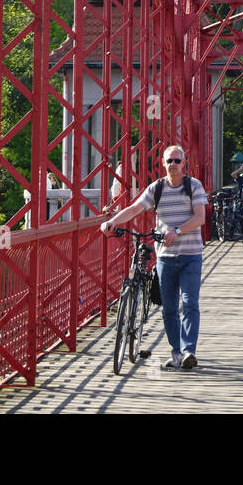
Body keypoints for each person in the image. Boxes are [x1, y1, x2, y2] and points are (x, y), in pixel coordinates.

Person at [100, 144, 208, 371]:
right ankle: (177, 352)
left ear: (184, 163)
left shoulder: (194, 186)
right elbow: (134, 209)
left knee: (190, 302)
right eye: (169, 160)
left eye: (177, 160)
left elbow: (200, 218)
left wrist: (177, 230)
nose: (173, 164)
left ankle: (189, 350)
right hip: (165, 257)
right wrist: (112, 222)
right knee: (169, 308)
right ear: (163, 163)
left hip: (190, 255)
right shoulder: (157, 188)